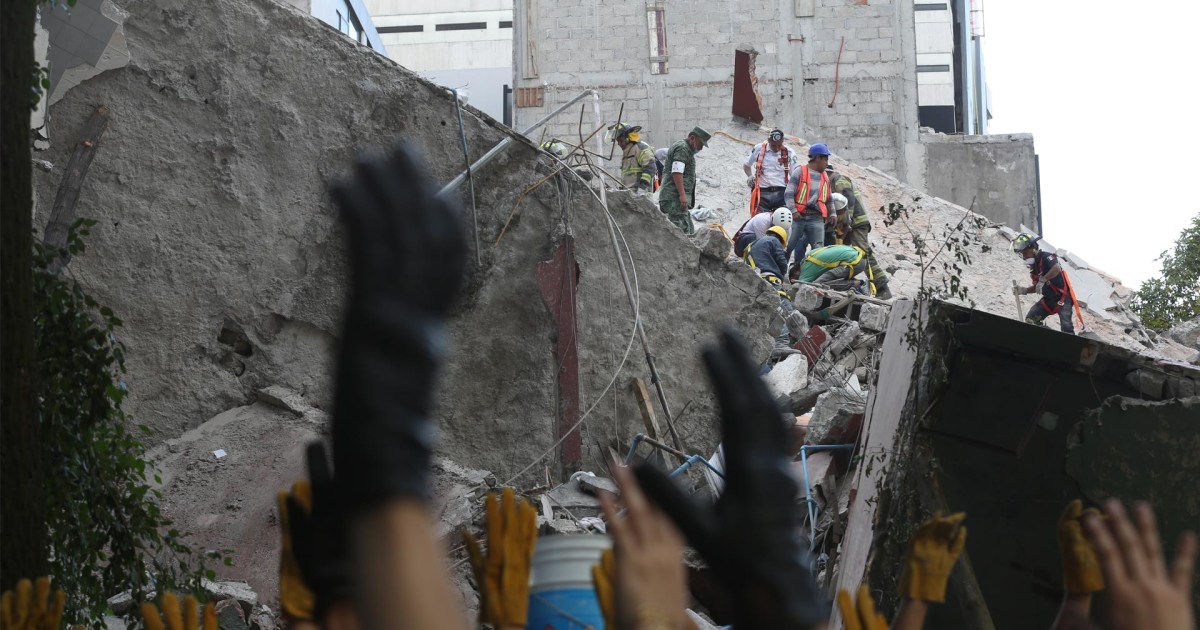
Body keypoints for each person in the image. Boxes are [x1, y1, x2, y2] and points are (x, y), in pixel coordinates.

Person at [827, 167, 892, 298]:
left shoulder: (839, 180)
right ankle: (844, 285)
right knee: (841, 254)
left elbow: (848, 199)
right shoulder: (832, 182)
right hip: (850, 224)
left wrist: (847, 221)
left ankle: (882, 288)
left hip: (856, 223)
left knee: (863, 254)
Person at [1013, 233, 1078, 335]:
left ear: (1033, 249)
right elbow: (1037, 287)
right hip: (1049, 299)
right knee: (1031, 318)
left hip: (1063, 298)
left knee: (1067, 328)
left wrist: (1043, 279)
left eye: (1025, 253)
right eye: (1022, 254)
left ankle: (1072, 347)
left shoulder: (1046, 256)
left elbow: (1056, 268)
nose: (1024, 257)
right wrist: (1024, 290)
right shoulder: (1034, 269)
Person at [785, 143, 836, 270]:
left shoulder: (825, 177)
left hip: (817, 218)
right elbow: (788, 193)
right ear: (817, 158)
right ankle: (780, 271)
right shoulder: (800, 172)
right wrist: (793, 211)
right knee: (789, 245)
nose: (826, 162)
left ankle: (812, 276)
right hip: (799, 217)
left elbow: (829, 198)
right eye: (825, 159)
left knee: (819, 251)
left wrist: (833, 213)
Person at [658, 127, 711, 235]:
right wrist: (682, 196)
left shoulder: (686, 149)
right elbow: (677, 172)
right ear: (692, 138)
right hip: (674, 197)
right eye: (700, 144)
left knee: (688, 229)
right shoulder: (682, 148)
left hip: (676, 199)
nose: (701, 148)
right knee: (681, 231)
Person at [744, 129, 797, 217]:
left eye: (779, 145)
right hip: (762, 193)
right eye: (773, 145)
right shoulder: (759, 149)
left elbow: (795, 175)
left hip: (782, 193)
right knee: (759, 220)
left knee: (782, 222)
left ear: (783, 141)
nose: (776, 148)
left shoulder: (789, 153)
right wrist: (749, 176)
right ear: (768, 141)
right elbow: (746, 165)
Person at [797, 244, 870, 292]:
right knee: (829, 277)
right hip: (858, 258)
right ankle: (859, 284)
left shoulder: (804, 270)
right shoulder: (810, 254)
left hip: (854, 262)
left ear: (795, 272)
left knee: (817, 285)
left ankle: (860, 285)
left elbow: (802, 285)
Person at [610, 123, 656, 193]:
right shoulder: (627, 153)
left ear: (628, 139)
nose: (619, 144)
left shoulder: (640, 148)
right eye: (618, 141)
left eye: (621, 141)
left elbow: (650, 168)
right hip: (630, 195)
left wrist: (642, 188)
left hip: (640, 195)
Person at [745, 225, 791, 293]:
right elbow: (782, 262)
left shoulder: (754, 243)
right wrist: (782, 277)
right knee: (784, 300)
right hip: (768, 277)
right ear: (781, 240)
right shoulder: (774, 240)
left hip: (751, 276)